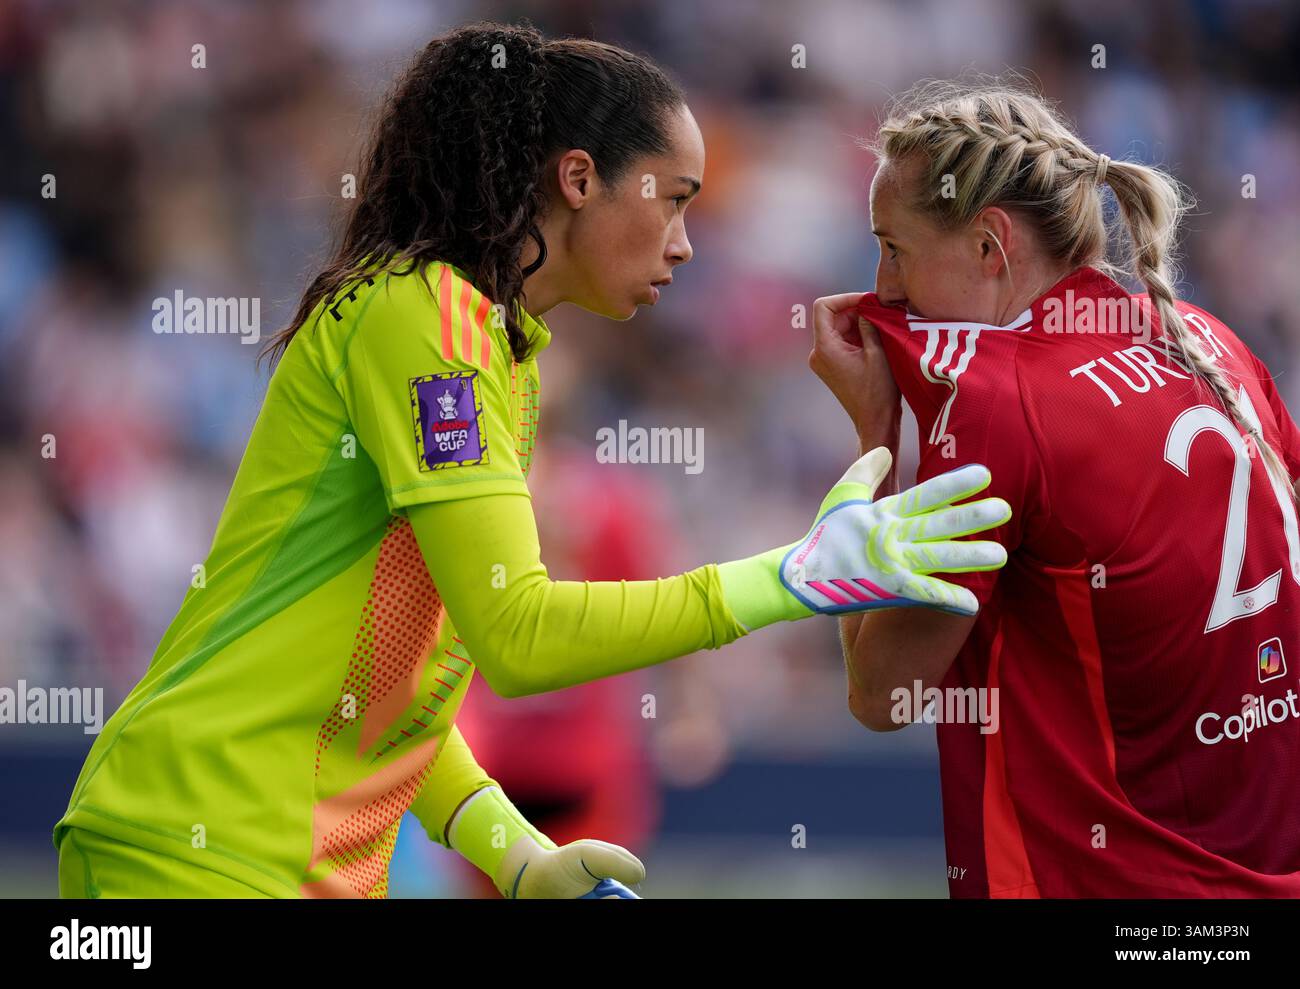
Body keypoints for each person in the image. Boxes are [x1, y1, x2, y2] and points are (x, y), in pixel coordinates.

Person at [53, 25, 1009, 899]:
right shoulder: (426, 315)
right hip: (194, 843)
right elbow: (517, 634)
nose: (685, 245)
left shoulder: (493, 351)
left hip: (248, 854)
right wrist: (790, 579)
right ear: (581, 179)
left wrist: (518, 856)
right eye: (673, 201)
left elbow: (392, 682)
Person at [812, 79, 1300, 897]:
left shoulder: (998, 406)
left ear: (989, 247)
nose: (883, 286)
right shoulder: (1209, 339)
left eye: (893, 247)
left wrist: (874, 439)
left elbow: (882, 694)